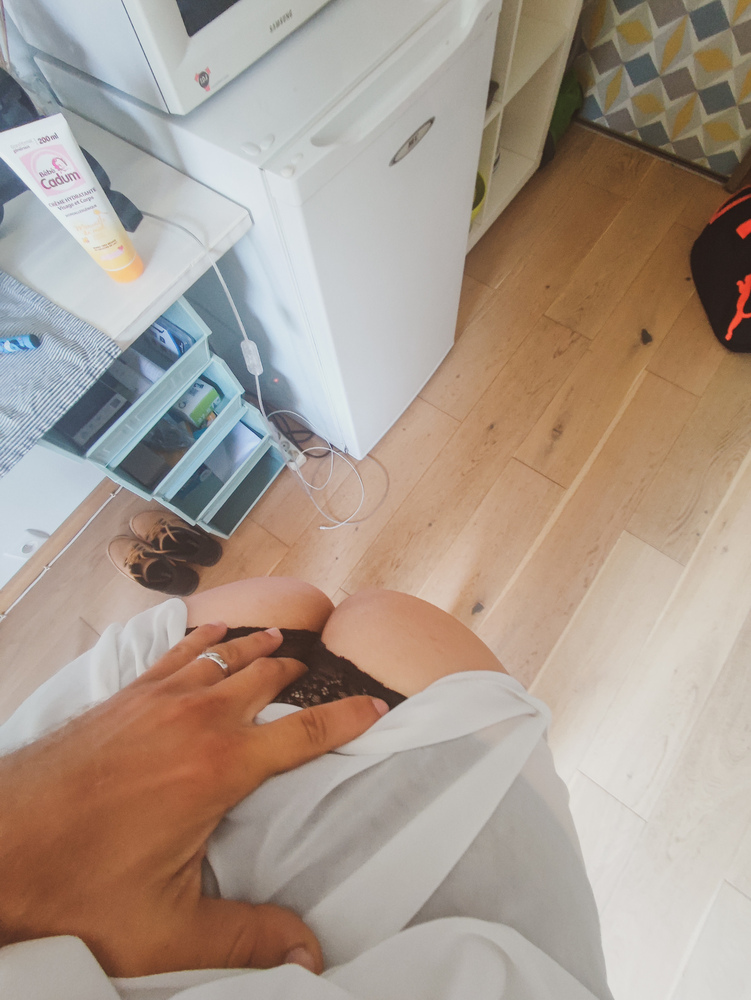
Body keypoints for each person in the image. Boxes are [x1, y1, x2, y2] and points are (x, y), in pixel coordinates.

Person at [0, 578, 614, 1000]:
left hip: (33, 796)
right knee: (387, 624)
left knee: (287, 607)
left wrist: (20, 837)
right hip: (409, 937)